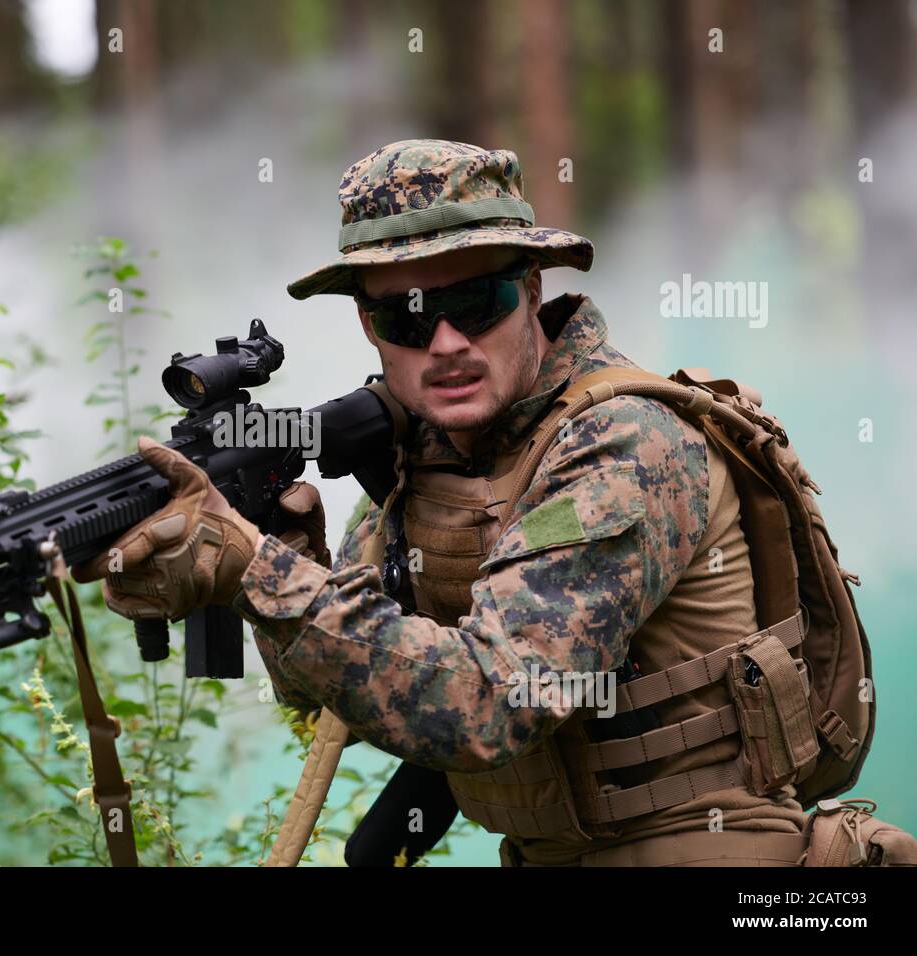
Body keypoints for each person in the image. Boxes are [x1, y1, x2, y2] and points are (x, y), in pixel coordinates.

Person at [73, 139, 815, 866]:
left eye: (476, 303)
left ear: (531, 291)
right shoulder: (436, 452)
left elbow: (492, 705)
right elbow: (332, 696)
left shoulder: (624, 441)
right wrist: (278, 549)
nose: (449, 343)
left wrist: (252, 570)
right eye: (410, 320)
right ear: (370, 327)